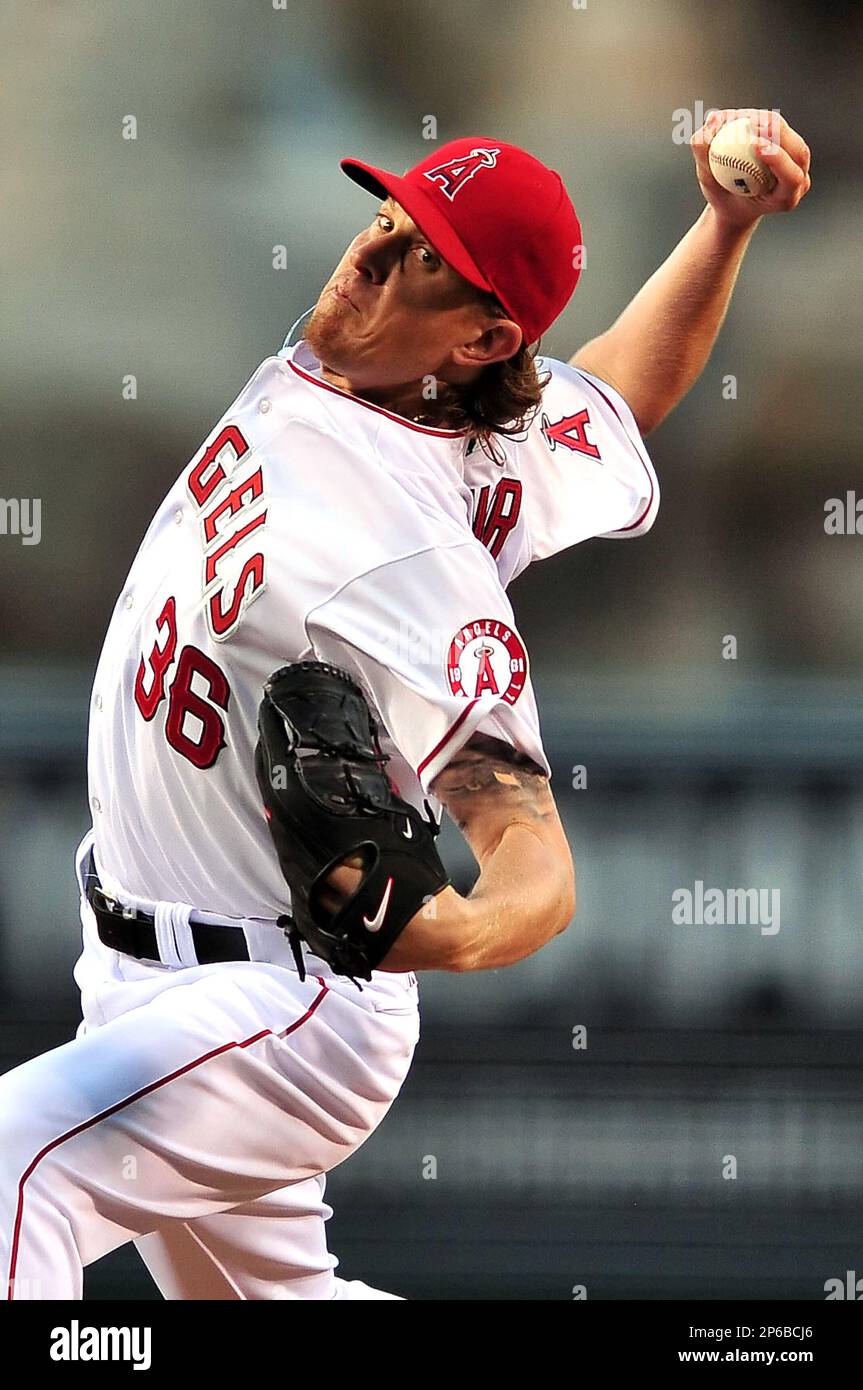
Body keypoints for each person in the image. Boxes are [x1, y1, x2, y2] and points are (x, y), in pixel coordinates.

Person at [0, 116, 810, 1301]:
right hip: (139, 958)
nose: (368, 256)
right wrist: (725, 223)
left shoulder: (409, 555)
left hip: (281, 1000)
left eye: (417, 255)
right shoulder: (463, 413)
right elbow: (622, 393)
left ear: (483, 332)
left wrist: (454, 932)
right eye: (384, 219)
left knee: (19, 1165)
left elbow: (531, 845)